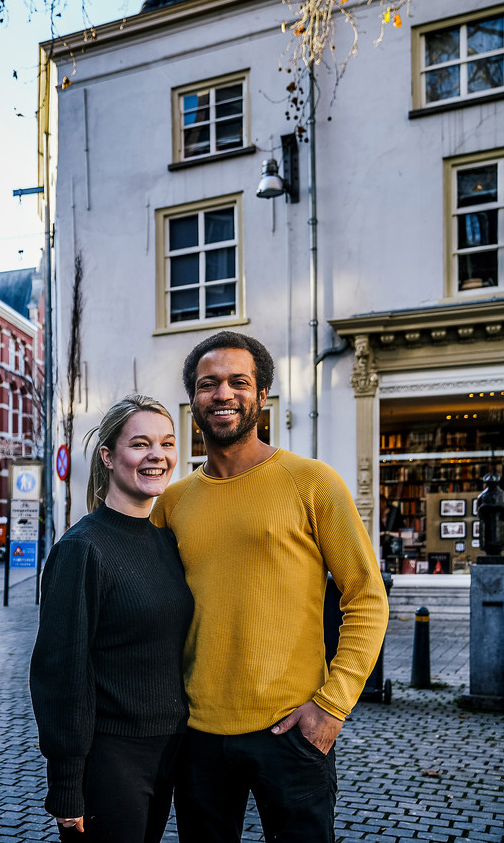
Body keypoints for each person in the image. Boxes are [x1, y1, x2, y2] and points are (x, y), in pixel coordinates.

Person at [151, 331, 389, 843]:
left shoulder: (312, 482)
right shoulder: (172, 502)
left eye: (239, 382)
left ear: (262, 397)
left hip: (293, 731)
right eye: (208, 383)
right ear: (193, 399)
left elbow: (366, 597)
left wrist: (332, 705)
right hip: (196, 736)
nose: (223, 394)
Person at [30, 394, 193, 842]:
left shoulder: (165, 543)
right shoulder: (83, 549)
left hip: (168, 752)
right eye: (140, 444)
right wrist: (66, 787)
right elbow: (61, 673)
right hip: (111, 758)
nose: (156, 456)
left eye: (166, 443)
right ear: (108, 455)